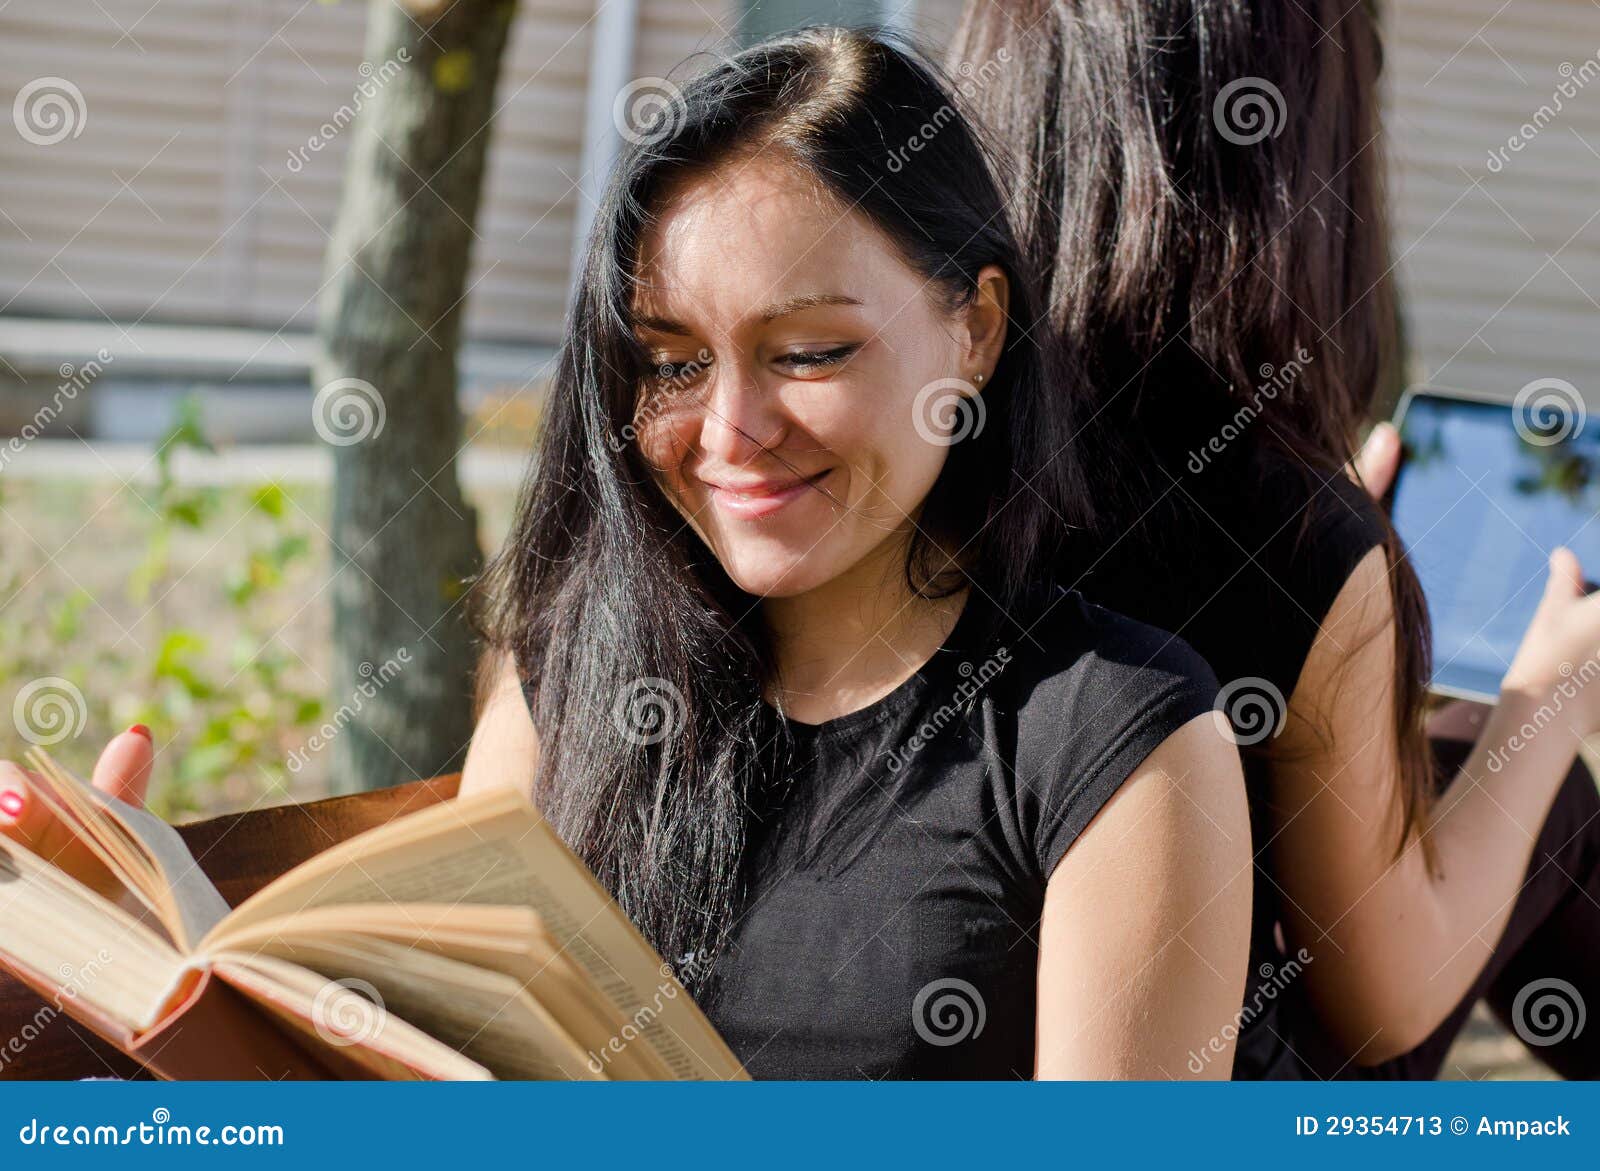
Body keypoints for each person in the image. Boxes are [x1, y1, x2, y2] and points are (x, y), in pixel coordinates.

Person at [2, 28, 1250, 1080]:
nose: (730, 433)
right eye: (669, 361)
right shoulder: (567, 680)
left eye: (808, 351)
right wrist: (123, 968)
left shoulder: (1113, 738)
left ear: (973, 330)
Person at [951, 0, 1600, 1077]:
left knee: (1451, 765)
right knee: (1546, 797)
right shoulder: (1285, 525)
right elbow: (1387, 999)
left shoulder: (930, 430)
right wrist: (1554, 690)